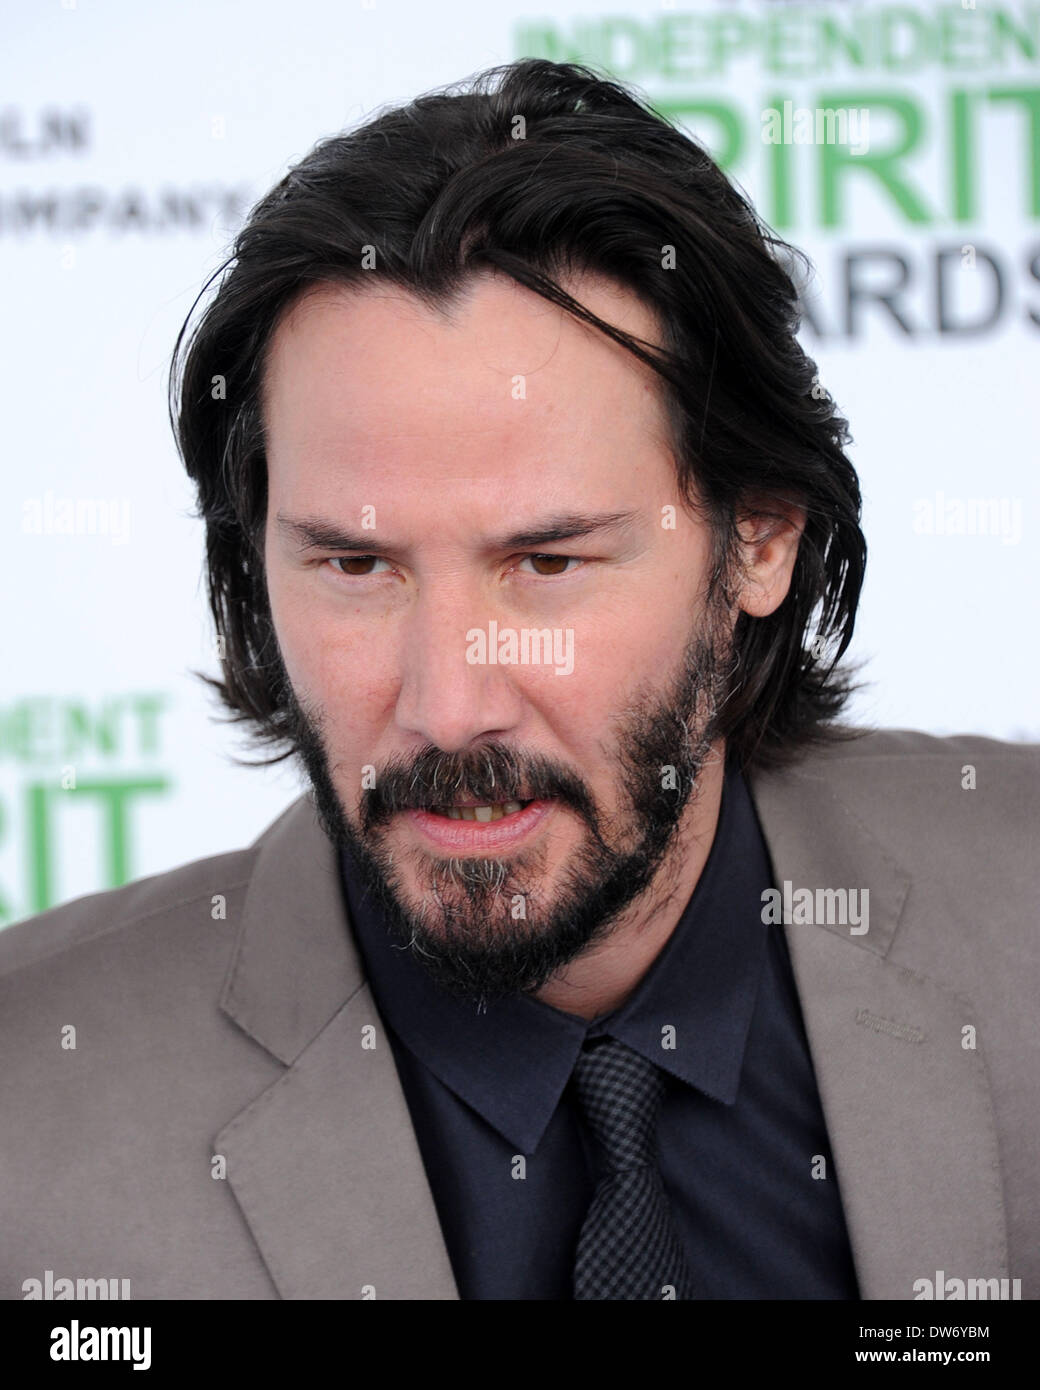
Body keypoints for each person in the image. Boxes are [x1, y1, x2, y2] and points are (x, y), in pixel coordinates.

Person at [1, 59, 1035, 1302]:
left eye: (546, 560)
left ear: (757, 539)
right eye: (354, 563)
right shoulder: (30, 1107)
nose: (448, 703)